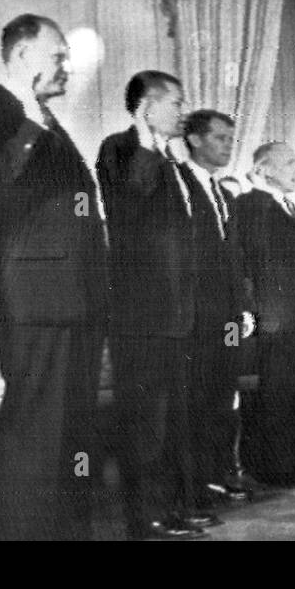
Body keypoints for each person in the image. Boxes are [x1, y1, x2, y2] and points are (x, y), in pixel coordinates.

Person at [0, 14, 107, 540]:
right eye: (58, 55)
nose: (67, 65)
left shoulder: (50, 123)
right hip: (34, 299)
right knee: (36, 427)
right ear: (22, 57)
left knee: (73, 429)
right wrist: (33, 125)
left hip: (78, 298)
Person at [95, 70, 210, 539]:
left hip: (178, 316)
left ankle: (177, 506)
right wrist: (144, 138)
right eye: (175, 103)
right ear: (146, 107)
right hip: (140, 317)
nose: (183, 112)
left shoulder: (176, 163)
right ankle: (145, 519)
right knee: (145, 423)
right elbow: (129, 200)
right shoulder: (118, 150)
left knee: (176, 421)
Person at [234, 141, 295, 488]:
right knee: (277, 394)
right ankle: (275, 466)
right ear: (265, 169)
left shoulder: (292, 208)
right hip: (276, 316)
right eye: (289, 162)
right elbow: (244, 261)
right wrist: (249, 309)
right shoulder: (250, 204)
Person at [177, 110, 257, 507]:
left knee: (222, 399)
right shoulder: (179, 184)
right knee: (196, 398)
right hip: (195, 315)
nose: (228, 145)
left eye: (231, 138)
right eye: (220, 138)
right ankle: (194, 484)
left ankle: (218, 474)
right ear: (193, 140)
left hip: (226, 315)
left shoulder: (225, 194)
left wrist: (242, 307)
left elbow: (234, 257)